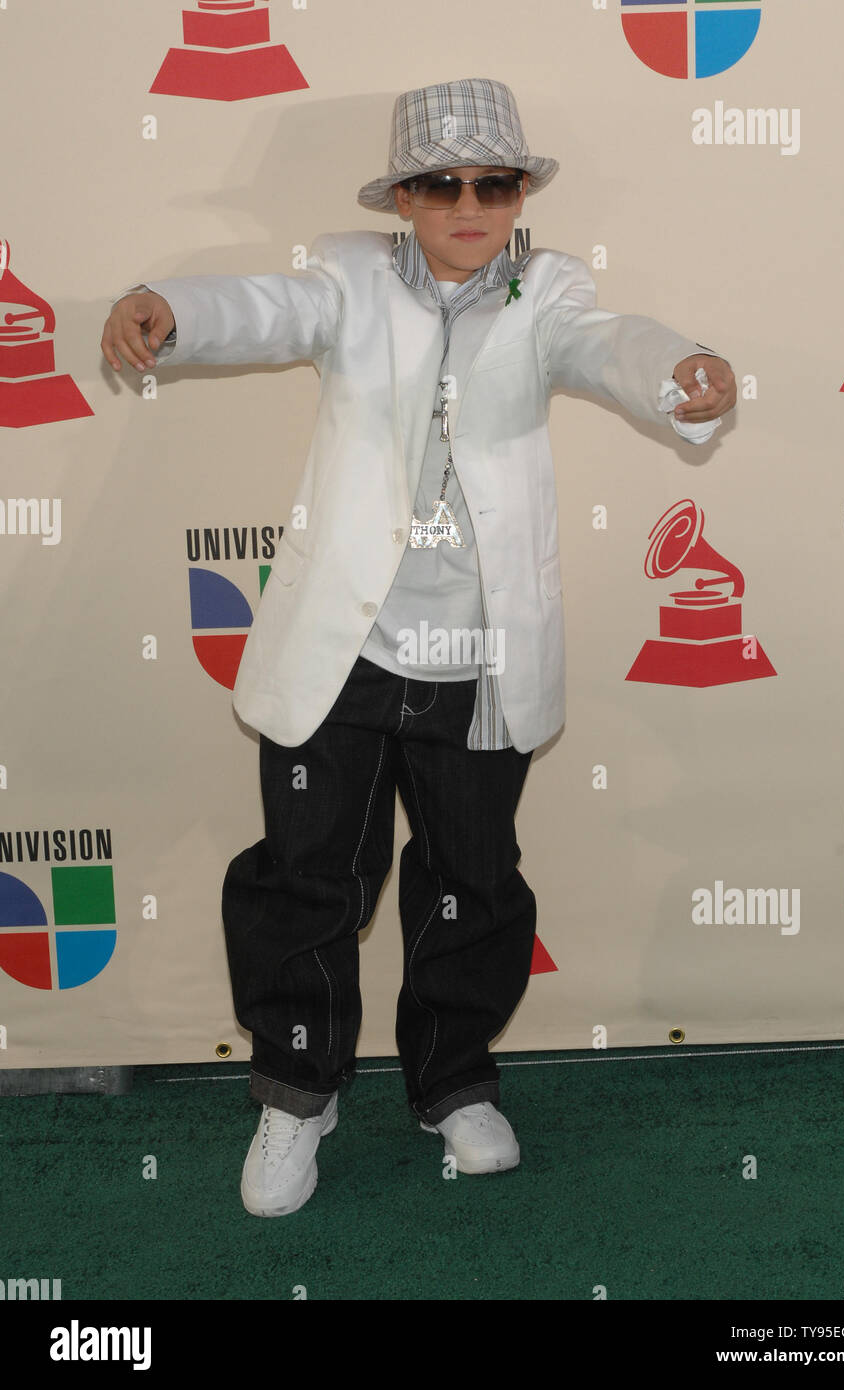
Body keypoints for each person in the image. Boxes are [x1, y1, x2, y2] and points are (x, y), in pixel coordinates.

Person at [101, 77, 736, 1219]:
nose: (467, 202)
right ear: (401, 195)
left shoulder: (549, 292)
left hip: (479, 659)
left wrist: (680, 374)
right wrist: (170, 306)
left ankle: (454, 1084)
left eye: (493, 182)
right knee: (303, 882)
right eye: (440, 181)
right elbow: (263, 308)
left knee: (471, 884)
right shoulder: (346, 281)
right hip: (341, 655)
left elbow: (610, 346)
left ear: (519, 193)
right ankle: (298, 1094)